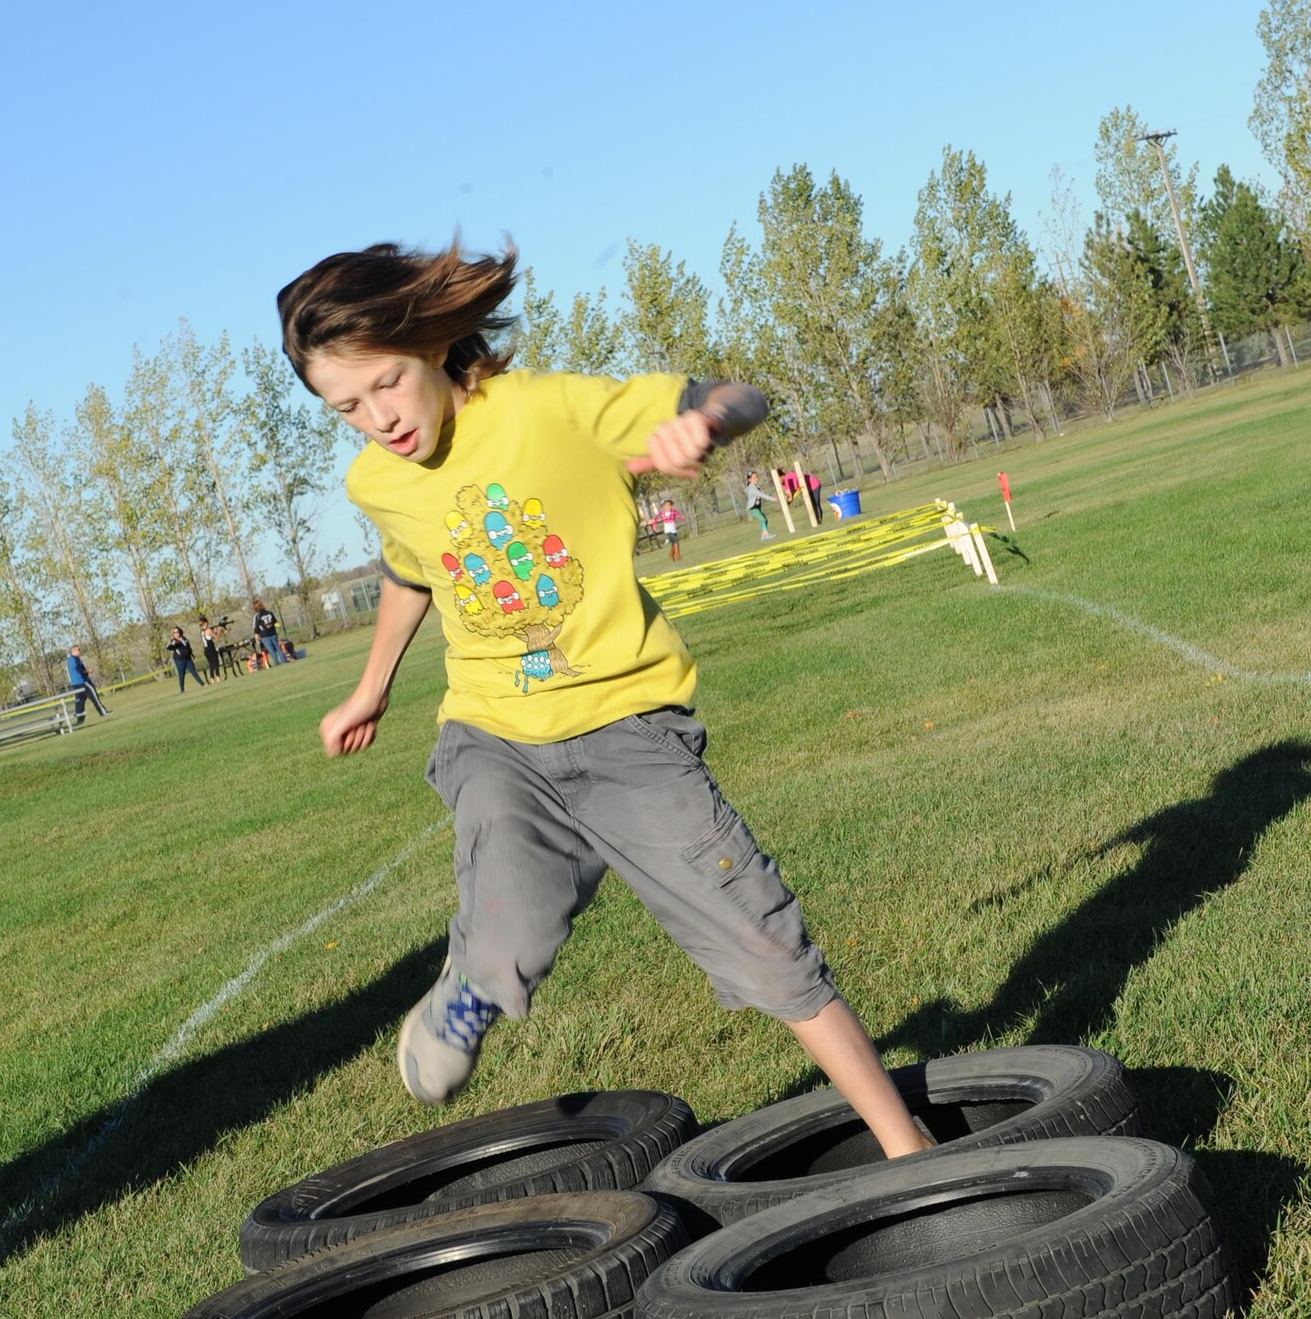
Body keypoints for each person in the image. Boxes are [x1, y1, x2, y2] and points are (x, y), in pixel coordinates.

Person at [276, 237, 930, 1161]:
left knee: (765, 943)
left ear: (428, 339)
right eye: (344, 407)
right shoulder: (376, 481)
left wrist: (702, 424)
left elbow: (742, 395)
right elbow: (409, 568)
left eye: (383, 383)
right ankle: (470, 991)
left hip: (629, 731)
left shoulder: (551, 410)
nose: (375, 419)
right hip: (493, 731)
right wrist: (369, 688)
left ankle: (906, 1148)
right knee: (513, 896)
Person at [66, 645, 108, 722]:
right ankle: (103, 712)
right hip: (82, 682)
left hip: (75, 684)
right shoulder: (74, 660)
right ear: (73, 651)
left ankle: (80, 720)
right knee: (94, 696)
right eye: (78, 649)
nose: (80, 651)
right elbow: (78, 670)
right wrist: (88, 671)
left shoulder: (71, 660)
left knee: (80, 701)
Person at [166, 625, 206, 692]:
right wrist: (172, 644)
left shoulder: (184, 639)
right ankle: (182, 689)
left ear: (180, 632)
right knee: (181, 675)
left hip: (188, 659)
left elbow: (189, 649)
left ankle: (202, 684)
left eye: (177, 632)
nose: (175, 633)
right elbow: (169, 647)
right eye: (174, 632)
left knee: (193, 672)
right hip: (179, 660)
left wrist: (194, 656)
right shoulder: (173, 641)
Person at [252, 597, 288, 665]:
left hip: (264, 636)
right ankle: (284, 661)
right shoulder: (269, 613)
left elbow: (256, 628)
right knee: (278, 648)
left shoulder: (258, 616)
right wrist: (276, 631)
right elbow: (275, 622)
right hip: (273, 633)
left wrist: (256, 638)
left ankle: (276, 663)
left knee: (271, 650)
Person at [745, 471, 773, 541]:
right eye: (754, 478)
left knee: (765, 520)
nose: (756, 479)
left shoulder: (757, 487)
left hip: (757, 508)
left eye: (757, 477)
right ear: (750, 480)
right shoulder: (751, 488)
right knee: (762, 519)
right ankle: (767, 535)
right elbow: (762, 495)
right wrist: (773, 499)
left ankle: (763, 536)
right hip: (753, 508)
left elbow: (762, 493)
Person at [659, 497, 682, 562]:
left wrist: (680, 517)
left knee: (674, 544)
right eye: (666, 505)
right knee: (676, 540)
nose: (668, 506)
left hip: (673, 529)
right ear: (663, 506)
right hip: (668, 530)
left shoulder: (673, 512)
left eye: (669, 505)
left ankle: (671, 555)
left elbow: (678, 515)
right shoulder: (662, 513)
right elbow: (657, 519)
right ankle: (678, 555)